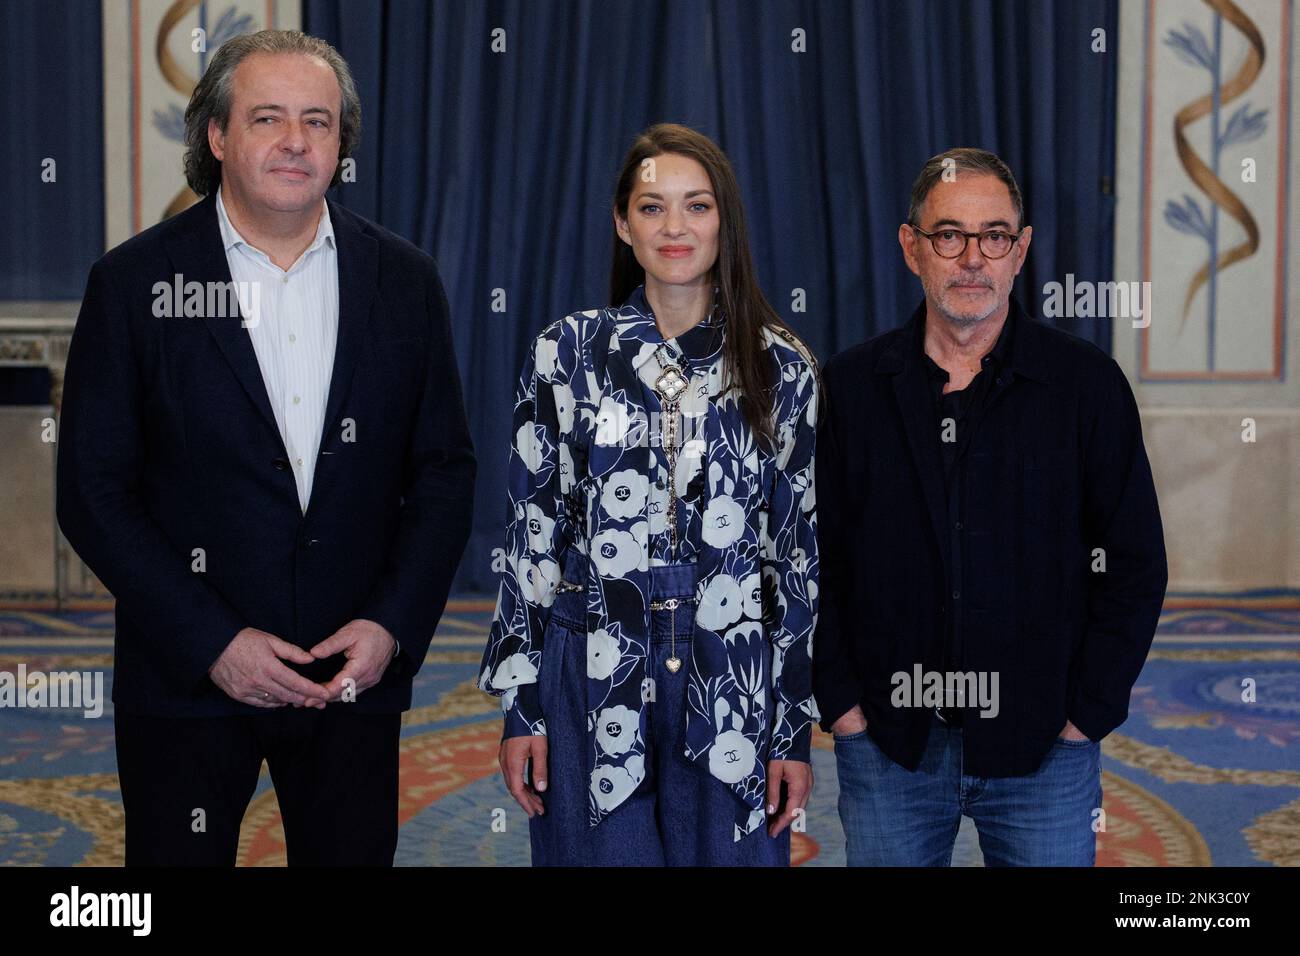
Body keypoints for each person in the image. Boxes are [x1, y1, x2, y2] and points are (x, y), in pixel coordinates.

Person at [56, 30, 476, 866]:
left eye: (317, 122)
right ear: (217, 136)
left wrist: (390, 627)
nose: (295, 140)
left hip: (348, 679)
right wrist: (214, 642)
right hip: (187, 681)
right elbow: (93, 493)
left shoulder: (405, 281)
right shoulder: (134, 285)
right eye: (269, 118)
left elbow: (444, 473)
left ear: (341, 143)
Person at [813, 147, 1167, 866]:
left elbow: (1133, 563)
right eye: (949, 235)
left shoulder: (1086, 386)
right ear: (913, 248)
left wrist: (1086, 714)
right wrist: (844, 708)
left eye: (994, 236)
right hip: (889, 745)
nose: (972, 258)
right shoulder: (849, 389)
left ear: (1021, 250)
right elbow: (810, 562)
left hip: (1045, 747)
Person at [478, 123, 820, 866]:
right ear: (621, 222)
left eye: (696, 206)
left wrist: (791, 726)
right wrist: (521, 707)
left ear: (723, 220)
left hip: (731, 669)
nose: (675, 227)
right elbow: (530, 535)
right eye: (652, 206)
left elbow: (795, 558)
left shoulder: (780, 366)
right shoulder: (566, 352)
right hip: (591, 662)